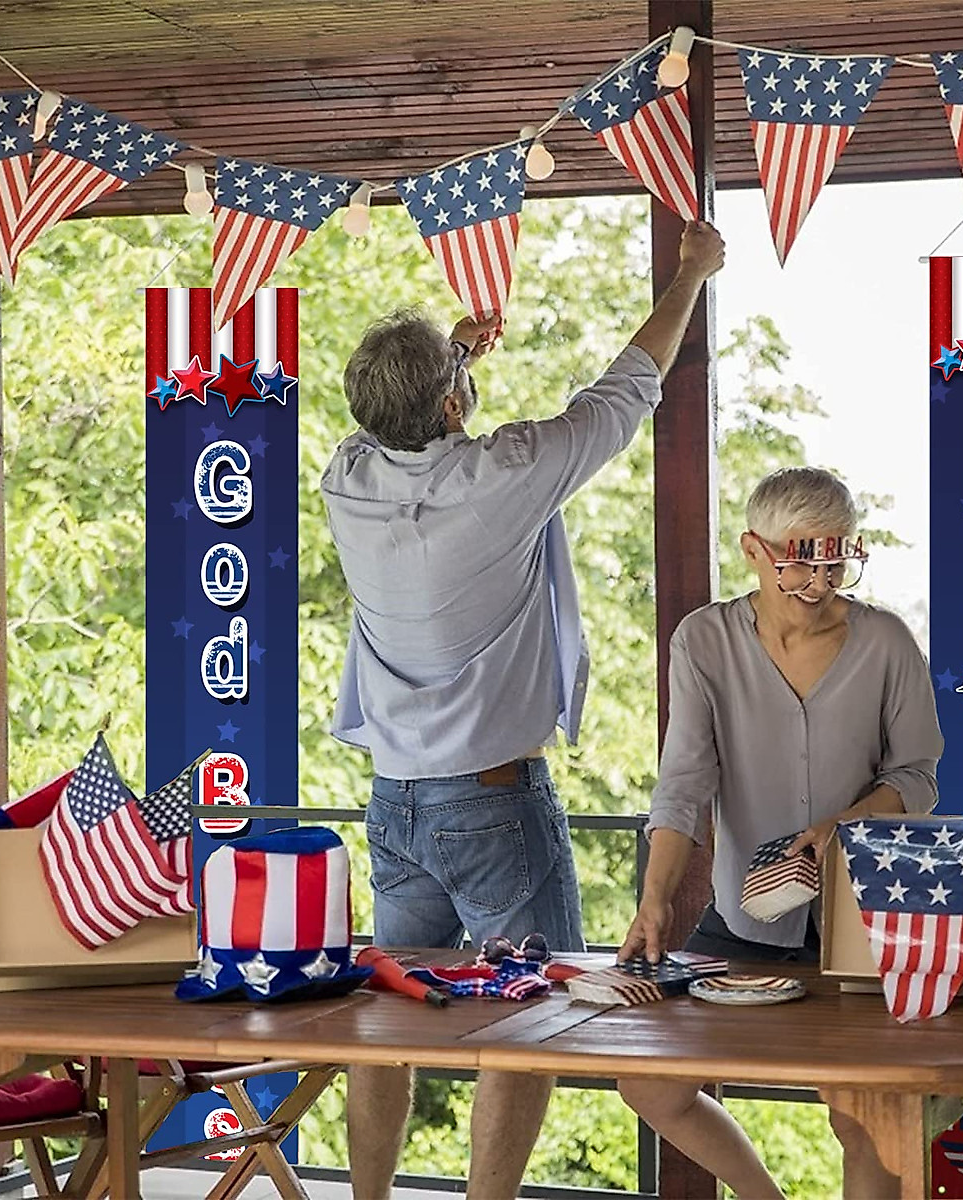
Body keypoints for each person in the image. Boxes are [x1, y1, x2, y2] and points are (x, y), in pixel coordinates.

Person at [321, 221, 726, 1200]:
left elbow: (413, 420)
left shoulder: (348, 478)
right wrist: (690, 275)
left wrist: (455, 355)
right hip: (496, 809)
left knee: (387, 1025)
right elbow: (628, 389)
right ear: (455, 402)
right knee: (530, 1020)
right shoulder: (507, 474)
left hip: (395, 806)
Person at [616, 466, 944, 1200]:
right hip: (743, 917)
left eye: (834, 563)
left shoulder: (888, 642)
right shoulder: (703, 642)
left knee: (863, 1114)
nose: (818, 583)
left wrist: (842, 824)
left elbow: (920, 777)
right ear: (754, 550)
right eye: (798, 562)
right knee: (647, 1082)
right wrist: (656, 898)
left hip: (863, 925)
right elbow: (683, 786)